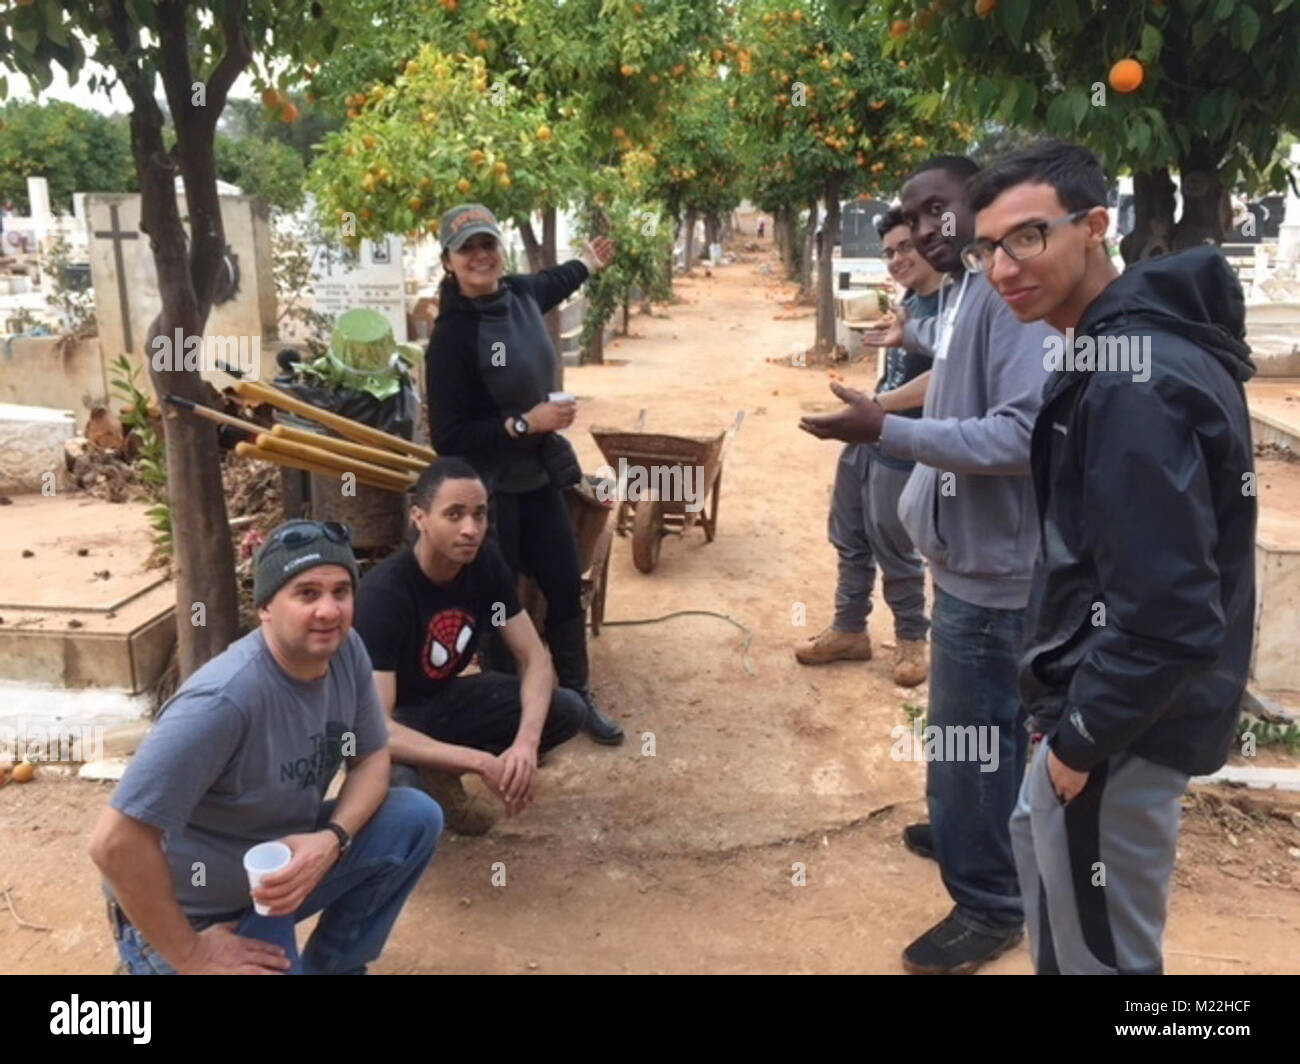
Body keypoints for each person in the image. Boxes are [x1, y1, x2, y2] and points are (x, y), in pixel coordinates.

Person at [966, 140, 1257, 974]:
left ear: (1095, 226)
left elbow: (1167, 615)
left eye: (1028, 237)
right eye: (988, 248)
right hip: (1098, 712)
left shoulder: (1133, 380)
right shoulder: (1119, 348)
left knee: (1110, 960)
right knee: (1064, 917)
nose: (1003, 268)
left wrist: (1079, 741)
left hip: (1122, 731)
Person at [800, 155, 1056, 974]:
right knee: (980, 736)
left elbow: (1020, 436)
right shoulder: (979, 291)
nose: (917, 228)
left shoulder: (1013, 301)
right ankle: (969, 833)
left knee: (971, 737)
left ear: (974, 203)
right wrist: (884, 408)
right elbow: (954, 379)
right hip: (972, 563)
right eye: (910, 215)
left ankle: (988, 903)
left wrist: (888, 433)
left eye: (933, 209)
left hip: (996, 574)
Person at [88, 520, 442, 974]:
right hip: (195, 919)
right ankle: (152, 960)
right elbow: (114, 843)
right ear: (266, 608)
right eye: (307, 594)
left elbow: (372, 758)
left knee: (412, 817)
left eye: (341, 592)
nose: (329, 611)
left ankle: (335, 967)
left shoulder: (346, 650)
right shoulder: (223, 701)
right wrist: (190, 955)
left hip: (275, 882)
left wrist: (330, 842)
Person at [427, 203, 623, 745]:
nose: (481, 255)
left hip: (539, 480)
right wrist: (522, 422)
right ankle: (512, 719)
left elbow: (554, 282)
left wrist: (587, 262)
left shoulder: (519, 293)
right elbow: (449, 435)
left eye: (487, 243)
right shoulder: (451, 339)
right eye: (467, 248)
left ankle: (576, 700)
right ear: (449, 261)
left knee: (563, 585)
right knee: (499, 603)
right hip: (491, 493)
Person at [354, 458, 585, 836]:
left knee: (567, 710)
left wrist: (525, 746)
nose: (471, 529)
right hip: (391, 721)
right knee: (404, 796)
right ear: (420, 517)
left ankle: (443, 766)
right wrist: (479, 762)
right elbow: (379, 725)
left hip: (444, 699)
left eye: (479, 514)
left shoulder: (485, 565)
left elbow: (534, 657)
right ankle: (434, 778)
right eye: (454, 514)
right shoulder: (385, 597)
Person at [795, 207, 942, 686]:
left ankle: (911, 641)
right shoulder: (913, 300)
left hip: (904, 441)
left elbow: (945, 378)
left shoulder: (953, 307)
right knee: (850, 536)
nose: (897, 259)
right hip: (869, 435)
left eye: (906, 247)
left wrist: (877, 406)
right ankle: (849, 629)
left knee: (895, 545)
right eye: (890, 252)